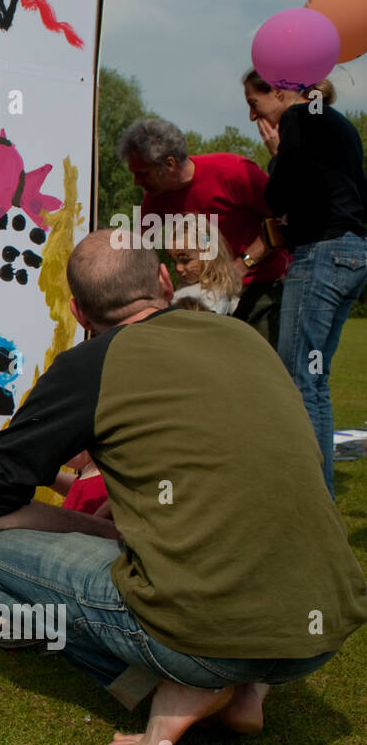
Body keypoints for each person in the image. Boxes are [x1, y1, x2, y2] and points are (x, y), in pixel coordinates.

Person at [0, 228, 367, 745]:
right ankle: (248, 690)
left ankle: (177, 684)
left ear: (78, 313)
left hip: (202, 639)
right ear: (166, 281)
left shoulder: (91, 364)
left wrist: (95, 528)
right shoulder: (244, 339)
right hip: (319, 631)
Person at [243, 71, 367, 497]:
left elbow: (282, 194)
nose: (251, 115)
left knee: (299, 378)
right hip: (353, 253)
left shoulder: (297, 119)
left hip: (321, 256)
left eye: (254, 103)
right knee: (315, 379)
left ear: (278, 91)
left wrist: (276, 156)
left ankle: (314, 499)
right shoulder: (338, 122)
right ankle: (321, 492)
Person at [118, 117, 286, 344]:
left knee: (261, 367)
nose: (136, 181)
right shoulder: (156, 198)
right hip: (204, 298)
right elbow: (140, 252)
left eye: (142, 173)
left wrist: (243, 264)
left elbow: (284, 216)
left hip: (261, 292)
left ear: (169, 164)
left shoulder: (232, 172)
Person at [166, 215, 241, 315]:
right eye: (174, 261)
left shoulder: (210, 298)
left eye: (185, 260)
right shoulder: (225, 292)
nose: (178, 268)